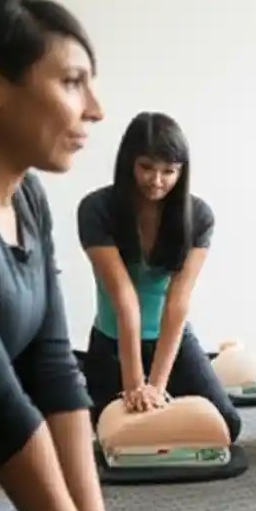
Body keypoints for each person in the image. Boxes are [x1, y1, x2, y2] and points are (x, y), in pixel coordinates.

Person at [0, 0, 224, 511]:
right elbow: (2, 410)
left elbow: (53, 373)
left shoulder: (27, 198)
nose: (94, 108)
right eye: (71, 81)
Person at [77, 111, 242, 442]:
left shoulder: (198, 216)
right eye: (147, 168)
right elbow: (124, 300)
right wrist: (134, 384)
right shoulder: (96, 209)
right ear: (129, 163)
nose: (157, 180)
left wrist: (156, 386)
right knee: (110, 432)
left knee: (227, 426)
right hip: (114, 343)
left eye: (169, 171)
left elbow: (177, 302)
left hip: (172, 340)